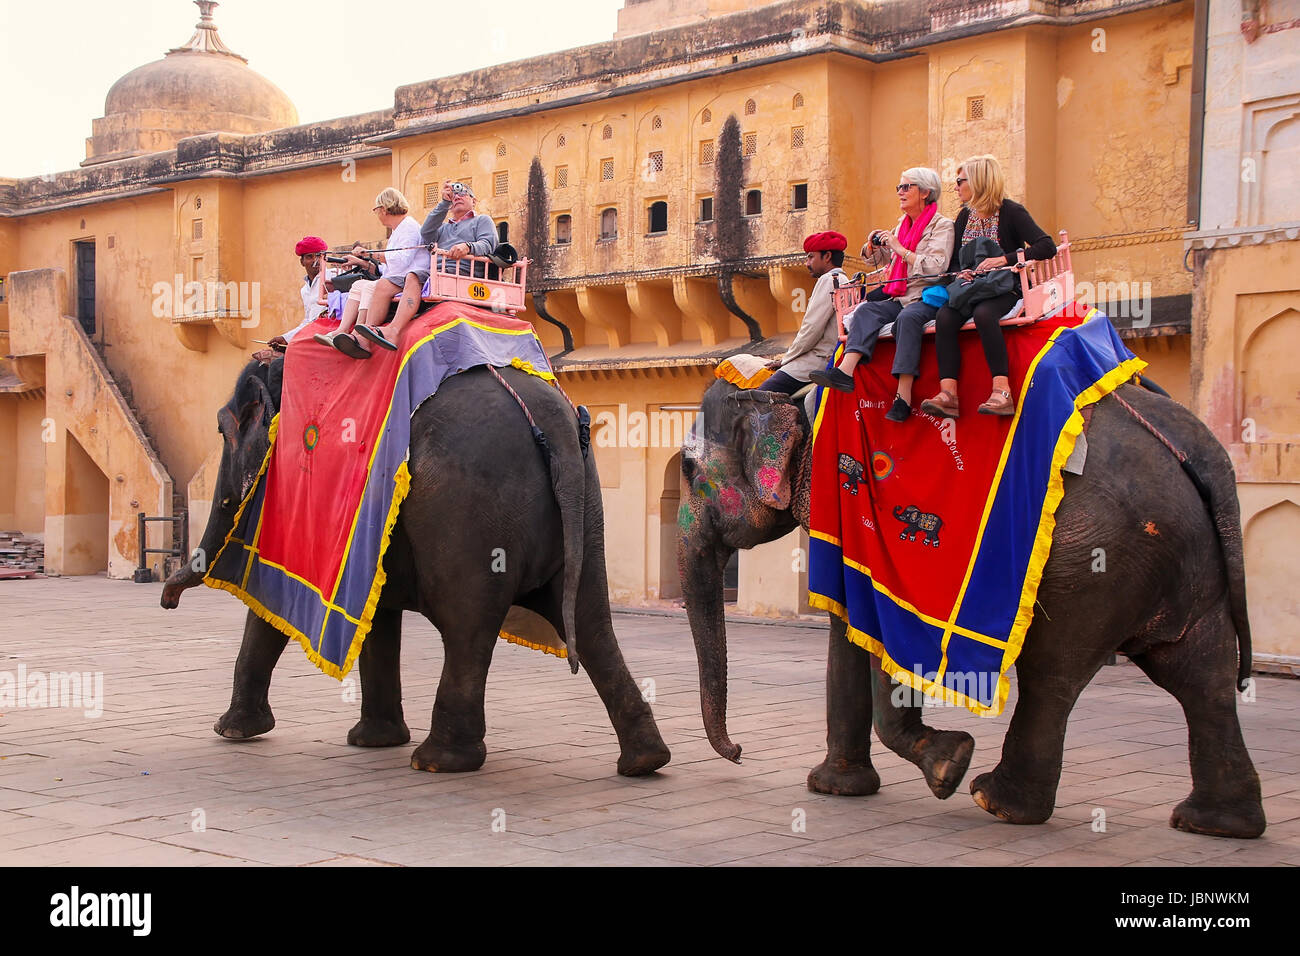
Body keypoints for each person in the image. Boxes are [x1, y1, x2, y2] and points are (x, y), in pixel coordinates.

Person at [808, 167, 954, 422]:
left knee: (908, 319)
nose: (900, 192)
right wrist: (872, 247)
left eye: (906, 187)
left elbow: (936, 268)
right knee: (865, 310)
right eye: (899, 187)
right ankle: (845, 371)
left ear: (925, 192)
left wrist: (899, 248)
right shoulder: (903, 225)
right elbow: (882, 260)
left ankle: (903, 397)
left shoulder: (942, 226)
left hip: (925, 296)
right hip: (898, 294)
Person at [919, 155, 1055, 418]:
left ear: (979, 182)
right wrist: (961, 274)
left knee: (984, 313)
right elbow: (956, 261)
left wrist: (1005, 259)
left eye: (960, 181)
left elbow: (1046, 246)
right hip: (973, 288)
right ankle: (948, 394)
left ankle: (1002, 391)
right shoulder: (963, 217)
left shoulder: (1012, 212)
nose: (956, 187)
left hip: (1005, 287)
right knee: (945, 316)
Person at [329, 188, 431, 358]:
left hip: (409, 275)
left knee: (375, 286)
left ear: (384, 209)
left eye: (376, 210)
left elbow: (401, 260)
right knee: (358, 285)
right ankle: (342, 330)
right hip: (397, 275)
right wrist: (362, 261)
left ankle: (362, 336)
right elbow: (387, 267)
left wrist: (371, 254)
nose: (377, 214)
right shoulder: (397, 230)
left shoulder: (409, 227)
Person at [755, 232, 849, 395]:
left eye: (811, 257)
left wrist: (786, 359)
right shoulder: (844, 281)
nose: (807, 263)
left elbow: (811, 329)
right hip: (834, 357)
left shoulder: (829, 280)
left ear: (827, 256)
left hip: (817, 361)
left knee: (758, 397)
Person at [421, 180, 497, 277]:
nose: (457, 197)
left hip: (465, 272)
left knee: (442, 277)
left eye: (462, 193)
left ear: (473, 201)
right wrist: (444, 202)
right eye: (453, 195)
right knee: (412, 276)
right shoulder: (443, 227)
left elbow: (488, 244)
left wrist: (468, 247)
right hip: (436, 272)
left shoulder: (482, 220)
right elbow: (426, 233)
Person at [268, 236, 331, 348]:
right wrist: (285, 338)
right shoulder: (305, 290)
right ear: (302, 262)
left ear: (324, 258)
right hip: (312, 334)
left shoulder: (333, 277)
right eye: (309, 257)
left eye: (318, 256)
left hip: (328, 335)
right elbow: (308, 321)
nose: (314, 261)